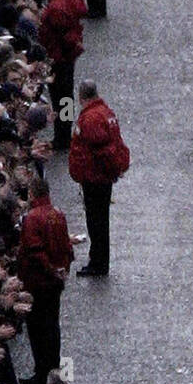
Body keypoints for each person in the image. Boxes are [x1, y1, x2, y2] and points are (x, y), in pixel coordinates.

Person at [69, 80, 130, 277]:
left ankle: (98, 263)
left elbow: (101, 151)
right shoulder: (105, 113)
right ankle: (98, 261)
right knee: (99, 220)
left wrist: (106, 172)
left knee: (96, 222)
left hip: (95, 178)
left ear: (81, 96)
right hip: (100, 177)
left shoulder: (91, 118)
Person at [17, 176, 73, 384]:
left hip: (38, 280)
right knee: (52, 324)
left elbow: (34, 250)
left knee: (37, 326)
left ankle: (42, 370)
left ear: (32, 193)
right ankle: (54, 367)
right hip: (56, 279)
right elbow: (65, 244)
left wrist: (49, 269)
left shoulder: (32, 218)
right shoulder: (58, 214)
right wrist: (62, 269)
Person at [38, 0, 88, 151]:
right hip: (66, 58)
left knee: (60, 98)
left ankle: (62, 136)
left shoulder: (55, 8)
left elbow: (60, 34)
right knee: (65, 97)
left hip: (58, 59)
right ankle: (64, 133)